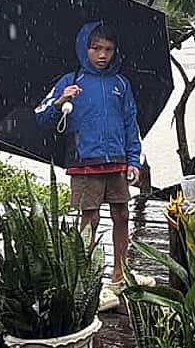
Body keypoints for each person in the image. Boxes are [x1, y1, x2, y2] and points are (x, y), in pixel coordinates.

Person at [35, 20, 153, 311]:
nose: (102, 55)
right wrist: (61, 100)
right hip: (84, 162)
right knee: (90, 220)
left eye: (108, 50)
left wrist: (133, 160)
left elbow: (130, 123)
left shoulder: (120, 84)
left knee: (122, 215)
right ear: (83, 48)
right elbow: (41, 116)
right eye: (96, 48)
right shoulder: (70, 80)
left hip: (116, 161)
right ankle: (90, 282)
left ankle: (120, 274)